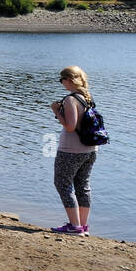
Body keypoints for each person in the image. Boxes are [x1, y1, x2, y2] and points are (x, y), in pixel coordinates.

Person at [49, 65, 98, 234]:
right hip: (90, 150)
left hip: (71, 150)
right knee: (82, 185)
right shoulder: (87, 97)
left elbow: (70, 126)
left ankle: (74, 226)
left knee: (63, 184)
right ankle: (83, 226)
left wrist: (56, 111)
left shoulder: (71, 99)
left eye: (61, 79)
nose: (61, 83)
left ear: (68, 80)